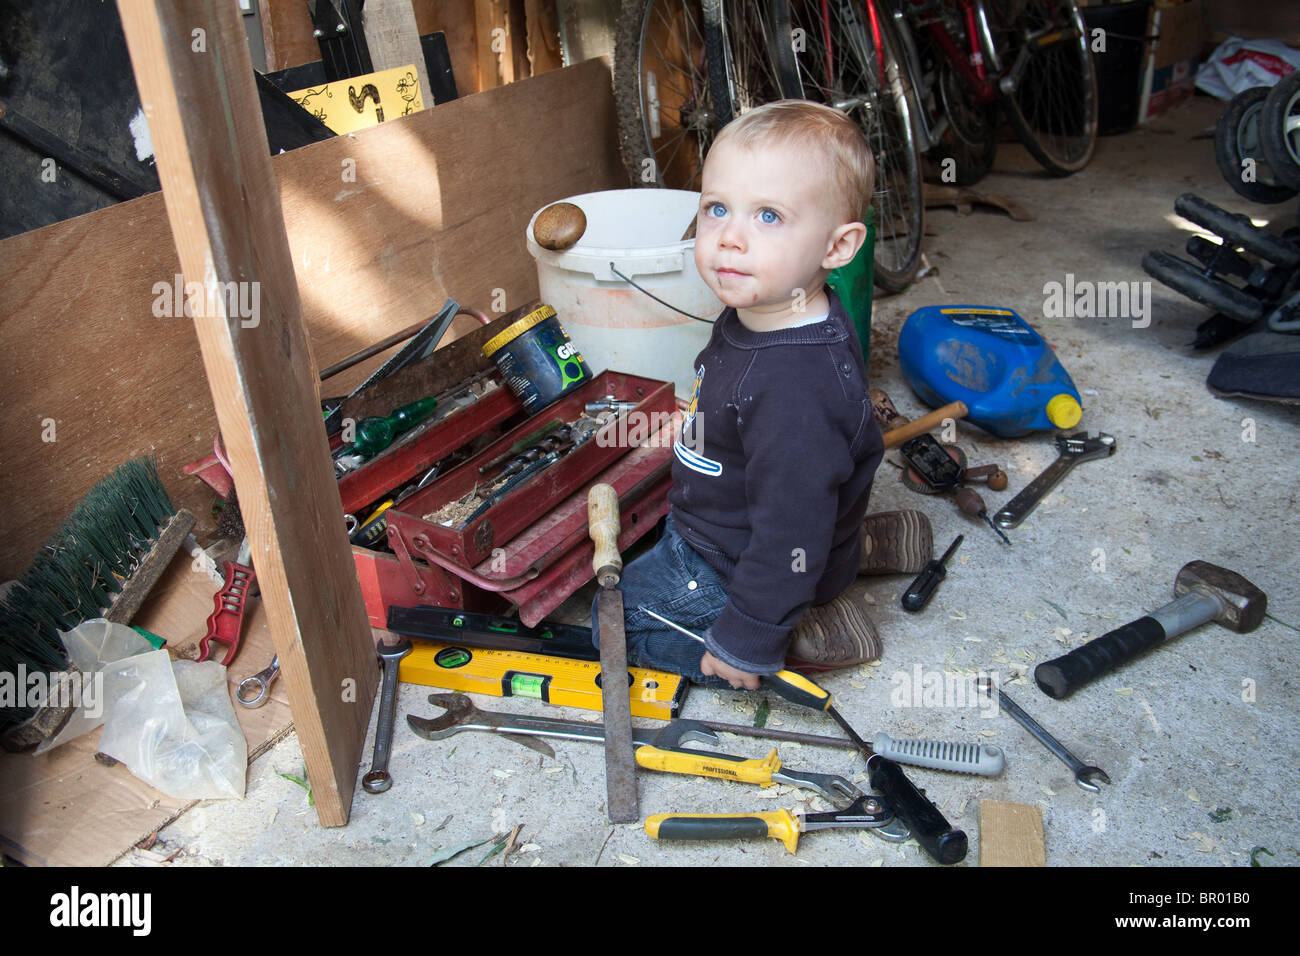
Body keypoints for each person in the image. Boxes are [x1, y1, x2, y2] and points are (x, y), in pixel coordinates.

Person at [593, 100, 932, 690]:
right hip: (767, 526)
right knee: (808, 519)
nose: (729, 239)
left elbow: (789, 523)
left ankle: (794, 632)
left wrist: (749, 635)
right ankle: (845, 553)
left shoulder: (793, 386)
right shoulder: (788, 308)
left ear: (838, 247)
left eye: (769, 217)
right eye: (717, 209)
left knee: (614, 626)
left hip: (732, 560)